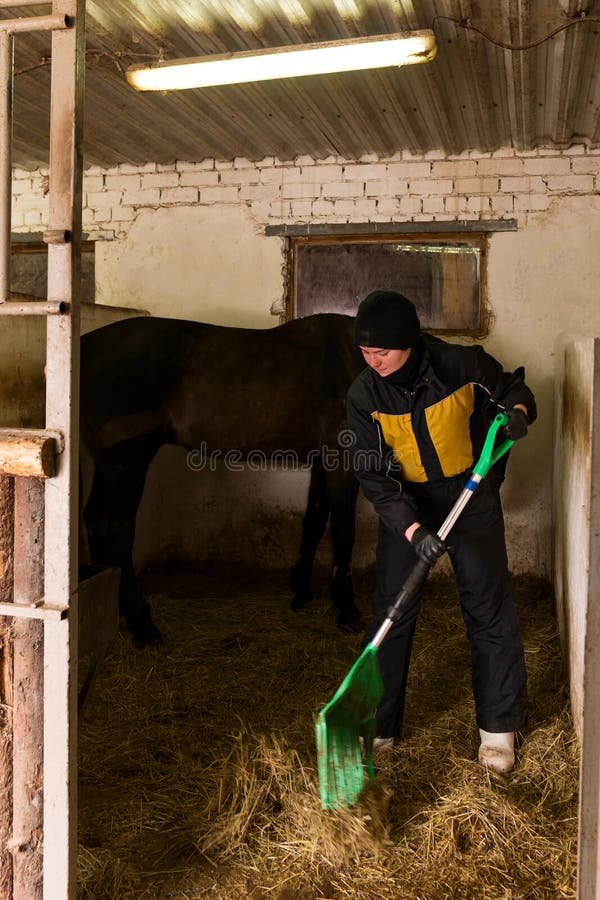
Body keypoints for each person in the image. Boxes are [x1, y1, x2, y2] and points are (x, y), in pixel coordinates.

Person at [346, 290, 536, 774]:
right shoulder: (364, 395)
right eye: (365, 352)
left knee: (487, 607)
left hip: (469, 496)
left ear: (408, 343)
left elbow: (514, 390)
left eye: (381, 352)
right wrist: (413, 531)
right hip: (407, 503)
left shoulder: (463, 365)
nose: (372, 362)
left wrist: (518, 414)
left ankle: (498, 732)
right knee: (392, 613)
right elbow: (372, 475)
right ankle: (381, 730)